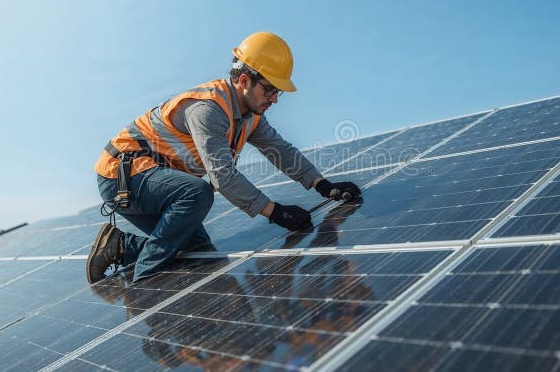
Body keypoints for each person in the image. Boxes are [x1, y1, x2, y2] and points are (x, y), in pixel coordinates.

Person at [87, 32, 362, 284]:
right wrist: (275, 212)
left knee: (198, 251)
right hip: (122, 175)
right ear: (244, 81)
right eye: (269, 89)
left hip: (154, 180)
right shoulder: (208, 109)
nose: (274, 99)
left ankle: (120, 247)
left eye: (277, 92)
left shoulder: (250, 116)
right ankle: (146, 288)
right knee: (198, 193)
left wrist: (322, 185)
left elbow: (280, 150)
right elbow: (222, 175)